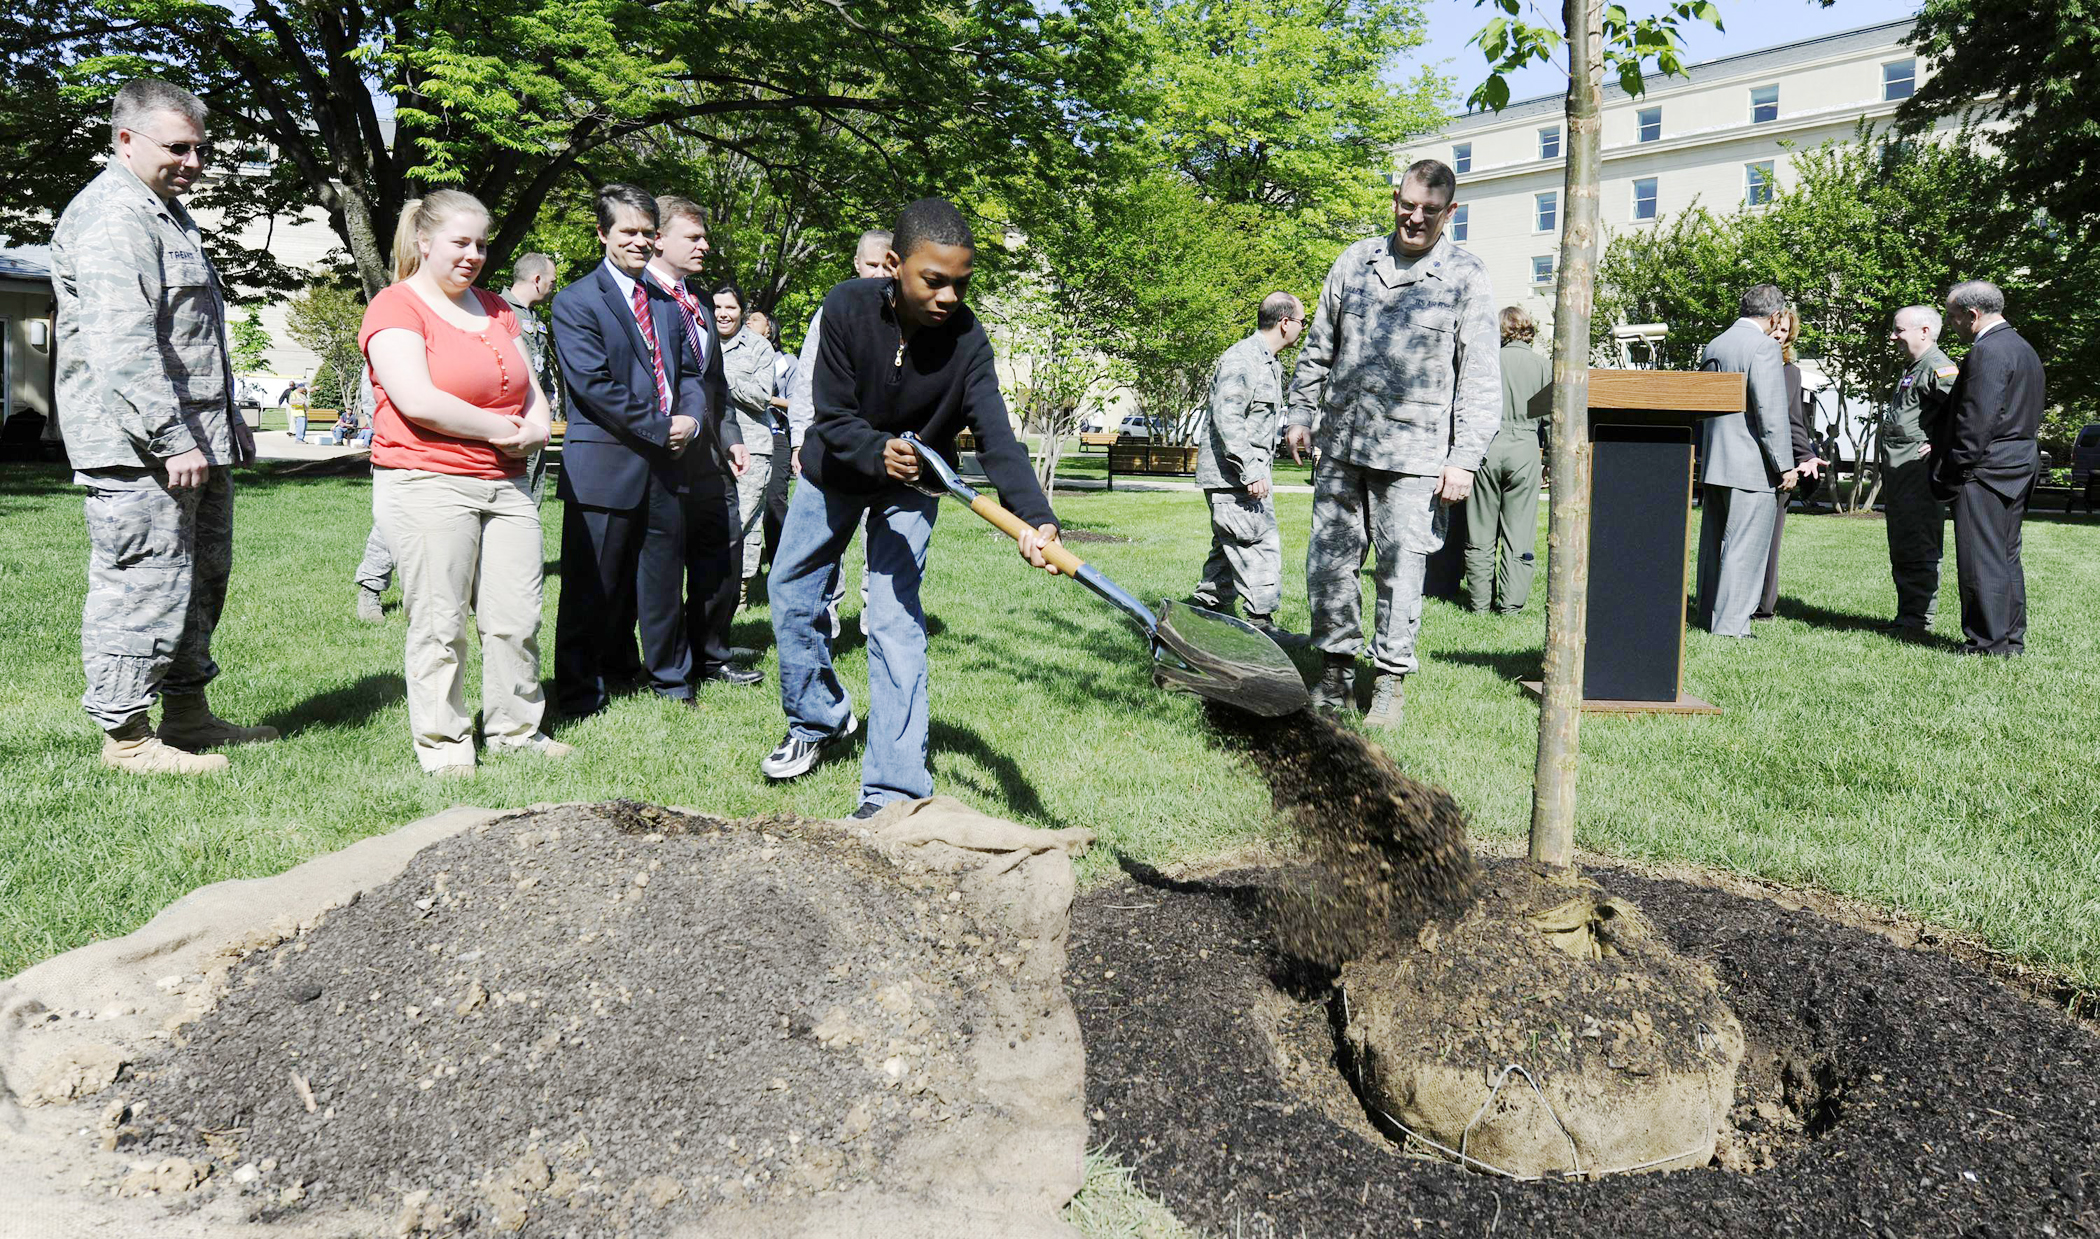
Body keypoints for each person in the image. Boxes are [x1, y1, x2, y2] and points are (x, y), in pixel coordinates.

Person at [762, 198, 1062, 817]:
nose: (949, 296)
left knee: (895, 620)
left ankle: (895, 789)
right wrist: (876, 451)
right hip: (838, 468)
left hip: (915, 482)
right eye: (934, 280)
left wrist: (1035, 517)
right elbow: (832, 413)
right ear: (895, 266)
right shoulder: (845, 307)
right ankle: (817, 720)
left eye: (961, 282)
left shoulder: (968, 341)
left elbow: (997, 437)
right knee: (792, 590)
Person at [51, 78, 275, 775]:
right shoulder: (115, 217)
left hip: (195, 443)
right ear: (125, 140)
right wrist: (170, 434)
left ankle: (187, 714)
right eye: (177, 148)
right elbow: (123, 345)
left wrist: (224, 416)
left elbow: (190, 337)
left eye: (199, 149)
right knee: (142, 581)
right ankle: (125, 736)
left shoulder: (166, 214)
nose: (193, 162)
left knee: (200, 581)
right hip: (139, 450)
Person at [1283, 159, 1500, 728]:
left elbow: (1479, 375)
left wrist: (1463, 459)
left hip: (1415, 456)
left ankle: (1390, 681)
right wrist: (1300, 413)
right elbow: (1319, 346)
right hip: (1342, 447)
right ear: (1395, 200)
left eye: (1430, 209)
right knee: (1329, 562)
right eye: (1408, 204)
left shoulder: (1465, 276)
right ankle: (1333, 670)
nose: (1416, 216)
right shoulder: (1356, 261)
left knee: (1401, 569)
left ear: (1450, 212)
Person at [361, 190, 562, 775]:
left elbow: (528, 383)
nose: (473, 254)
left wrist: (537, 422)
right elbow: (417, 399)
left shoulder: (498, 308)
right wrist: (505, 429)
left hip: (506, 485)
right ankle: (445, 747)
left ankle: (516, 731)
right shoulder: (396, 307)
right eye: (460, 242)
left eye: (481, 243)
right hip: (427, 481)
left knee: (516, 618)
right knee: (439, 623)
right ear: (424, 242)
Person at [550, 184, 725, 717]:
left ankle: (672, 681)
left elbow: (693, 372)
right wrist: (659, 426)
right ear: (602, 234)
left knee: (662, 581)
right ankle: (580, 691)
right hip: (604, 464)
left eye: (649, 233)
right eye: (629, 232)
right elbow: (594, 385)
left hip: (668, 465)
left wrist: (690, 420)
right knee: (591, 586)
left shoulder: (667, 304)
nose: (642, 242)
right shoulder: (576, 301)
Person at [644, 195, 760, 688]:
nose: (704, 245)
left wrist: (731, 438)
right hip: (662, 454)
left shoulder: (699, 304)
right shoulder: (638, 297)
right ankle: (669, 663)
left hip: (711, 455)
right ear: (658, 239)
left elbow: (715, 384)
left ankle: (711, 652)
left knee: (723, 555)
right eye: (693, 237)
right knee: (665, 567)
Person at [784, 230, 894, 637]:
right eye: (871, 264)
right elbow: (806, 380)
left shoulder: (907, 315)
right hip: (831, 449)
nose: (879, 273)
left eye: (887, 265)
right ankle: (821, 626)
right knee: (825, 545)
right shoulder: (834, 310)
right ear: (856, 263)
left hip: (885, 454)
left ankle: (876, 626)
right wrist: (799, 439)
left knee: (879, 546)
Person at [1935, 280, 2044, 656]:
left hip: (1987, 468)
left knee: (1981, 556)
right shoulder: (2022, 347)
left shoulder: (1988, 350)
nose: (1950, 324)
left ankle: (1988, 643)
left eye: (1951, 317)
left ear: (1972, 315)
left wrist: (1955, 468)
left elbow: (1977, 419)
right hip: (2018, 463)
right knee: (2006, 555)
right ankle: (2010, 639)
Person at [1189, 291, 1306, 643]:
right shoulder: (1243, 359)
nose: (1303, 328)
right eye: (1302, 321)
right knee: (1256, 543)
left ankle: (1202, 617)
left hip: (1241, 475)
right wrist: (1251, 471)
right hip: (1236, 477)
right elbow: (1229, 419)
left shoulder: (1267, 361)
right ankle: (1261, 626)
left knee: (1229, 549)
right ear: (1285, 323)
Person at [1693, 284, 1799, 639]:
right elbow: (1770, 412)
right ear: (1775, 316)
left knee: (1712, 546)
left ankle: (1707, 614)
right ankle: (1732, 626)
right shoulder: (1764, 347)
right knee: (1744, 546)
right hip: (1750, 463)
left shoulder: (1715, 344)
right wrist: (1785, 464)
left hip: (1716, 461)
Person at [1463, 306, 1551, 615]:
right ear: (1528, 330)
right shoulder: (1544, 366)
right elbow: (1553, 418)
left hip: (1487, 446)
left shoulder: (1487, 363)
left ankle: (1478, 605)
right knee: (1520, 532)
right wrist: (1550, 457)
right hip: (1526, 447)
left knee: (1480, 532)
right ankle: (1511, 605)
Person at [1879, 305, 1959, 632]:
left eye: (1899, 330)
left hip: (1917, 474)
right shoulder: (1917, 366)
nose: (1893, 336)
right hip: (1903, 475)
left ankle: (1916, 621)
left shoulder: (1938, 367)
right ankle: (1908, 616)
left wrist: (1943, 445)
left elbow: (1966, 413)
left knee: (1918, 543)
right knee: (1904, 543)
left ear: (1924, 331)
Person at [1753, 307, 1826, 621]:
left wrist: (1806, 457)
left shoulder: (1791, 373)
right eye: (1774, 328)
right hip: (1745, 461)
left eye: (1784, 331)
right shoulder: (1746, 362)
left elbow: (1794, 422)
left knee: (1771, 540)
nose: (1777, 335)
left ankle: (1762, 606)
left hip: (1778, 466)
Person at [714, 282, 779, 603]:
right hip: (705, 447)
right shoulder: (699, 341)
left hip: (750, 448)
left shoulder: (758, 347)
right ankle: (715, 593)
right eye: (718, 307)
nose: (724, 314)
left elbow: (762, 395)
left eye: (731, 308)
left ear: (741, 311)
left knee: (742, 523)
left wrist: (723, 375)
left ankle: (736, 595)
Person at [499, 252, 562, 501]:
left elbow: (540, 362)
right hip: (510, 418)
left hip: (534, 416)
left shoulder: (533, 316)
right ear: (537, 279)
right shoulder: (498, 311)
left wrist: (547, 394)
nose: (553, 288)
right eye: (552, 282)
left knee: (533, 484)